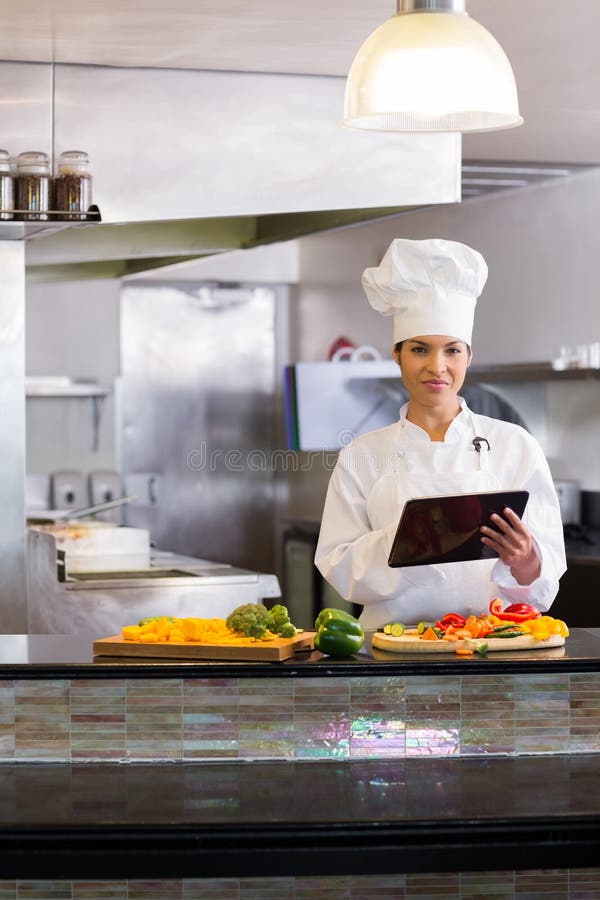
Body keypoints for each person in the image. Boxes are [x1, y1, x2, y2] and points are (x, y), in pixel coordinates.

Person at [314, 238, 566, 630]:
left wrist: (526, 560)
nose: (437, 366)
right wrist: (406, 544)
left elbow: (542, 586)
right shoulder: (362, 455)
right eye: (419, 349)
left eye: (452, 350)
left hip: (493, 646)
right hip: (391, 650)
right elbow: (339, 566)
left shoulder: (515, 446)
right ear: (396, 354)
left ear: (469, 357)